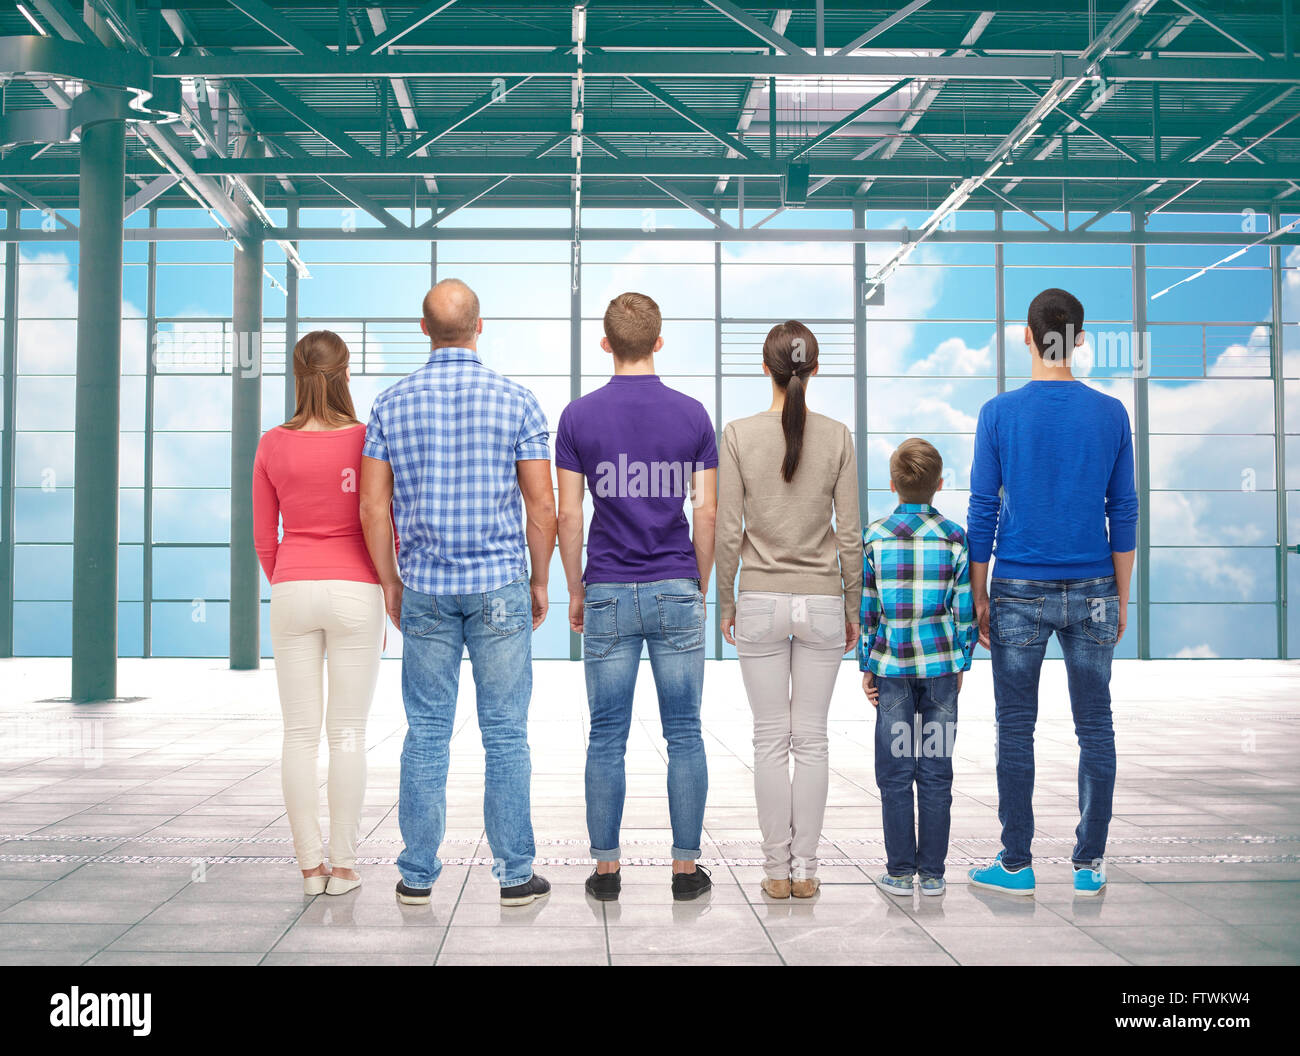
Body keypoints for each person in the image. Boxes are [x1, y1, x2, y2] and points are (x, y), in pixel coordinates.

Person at [359, 279, 558, 908]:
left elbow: (371, 504)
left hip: (423, 588)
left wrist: (390, 578)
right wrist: (540, 577)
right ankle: (515, 876)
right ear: (480, 327)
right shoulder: (518, 402)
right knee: (504, 732)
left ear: (424, 329)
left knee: (425, 732)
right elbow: (542, 505)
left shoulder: (390, 404)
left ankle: (417, 874)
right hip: (500, 586)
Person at [966, 287, 1138, 898]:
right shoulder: (1112, 412)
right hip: (1094, 586)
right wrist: (1121, 594)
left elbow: (982, 510)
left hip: (1018, 585)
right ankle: (1089, 865)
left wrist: (978, 596)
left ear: (1025, 335)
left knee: (1015, 726)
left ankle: (1016, 864)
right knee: (1096, 725)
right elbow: (1124, 509)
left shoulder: (998, 414)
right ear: (1080, 338)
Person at [555, 292, 718, 903]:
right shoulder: (693, 415)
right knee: (685, 732)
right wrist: (695, 581)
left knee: (605, 736)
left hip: (608, 591)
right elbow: (708, 513)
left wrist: (577, 586)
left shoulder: (577, 418)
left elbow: (570, 516)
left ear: (605, 344)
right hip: (676, 582)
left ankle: (606, 872)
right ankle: (683, 871)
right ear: (659, 340)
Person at [716, 320, 861, 900]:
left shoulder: (738, 434)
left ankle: (775, 871)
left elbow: (728, 532)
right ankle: (806, 870)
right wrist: (852, 604)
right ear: (815, 368)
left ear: (765, 367)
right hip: (824, 600)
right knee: (814, 741)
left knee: (769, 740)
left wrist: (726, 600)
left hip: (759, 599)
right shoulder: (839, 436)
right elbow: (849, 534)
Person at [253, 330, 386, 897]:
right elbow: (382, 520)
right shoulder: (367, 440)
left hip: (291, 586)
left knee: (299, 735)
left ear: (297, 374)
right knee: (349, 733)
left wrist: (289, 580)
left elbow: (265, 537)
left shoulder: (271, 444)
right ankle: (345, 866)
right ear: (345, 373)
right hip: (358, 588)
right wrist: (386, 587)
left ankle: (309, 869)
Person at [860, 438, 975, 899]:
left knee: (894, 771)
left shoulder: (874, 536)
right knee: (935, 769)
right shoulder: (954, 537)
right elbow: (963, 610)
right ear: (939, 485)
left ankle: (900, 872)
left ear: (892, 484)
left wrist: (867, 663)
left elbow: (868, 608)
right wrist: (961, 661)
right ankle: (933, 874)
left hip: (892, 669)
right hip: (941, 668)